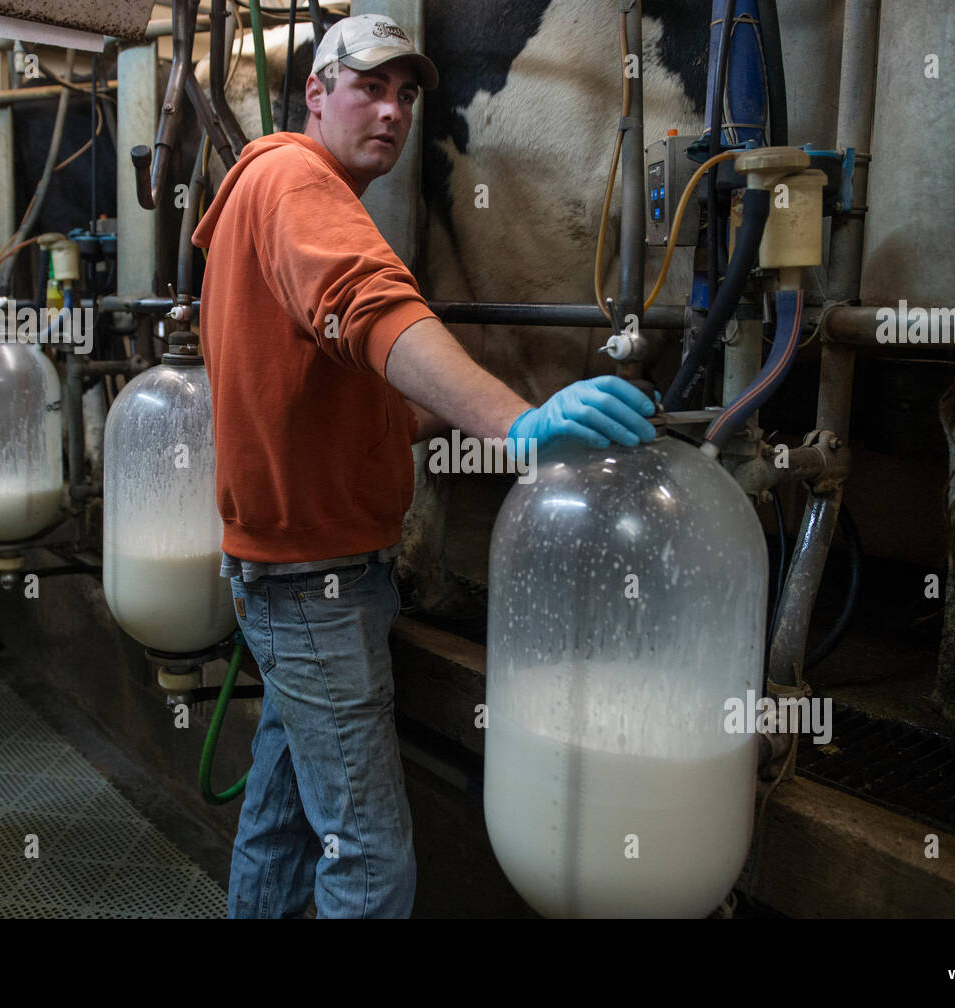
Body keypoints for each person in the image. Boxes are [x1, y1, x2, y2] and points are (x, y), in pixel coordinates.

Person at [191, 13, 658, 919]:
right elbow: (369, 306)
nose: (395, 111)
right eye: (369, 86)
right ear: (315, 94)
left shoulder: (277, 191)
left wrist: (455, 407)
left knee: (284, 819)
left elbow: (331, 403)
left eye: (407, 95)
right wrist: (514, 422)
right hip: (314, 584)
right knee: (368, 862)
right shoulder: (296, 181)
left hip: (287, 572)